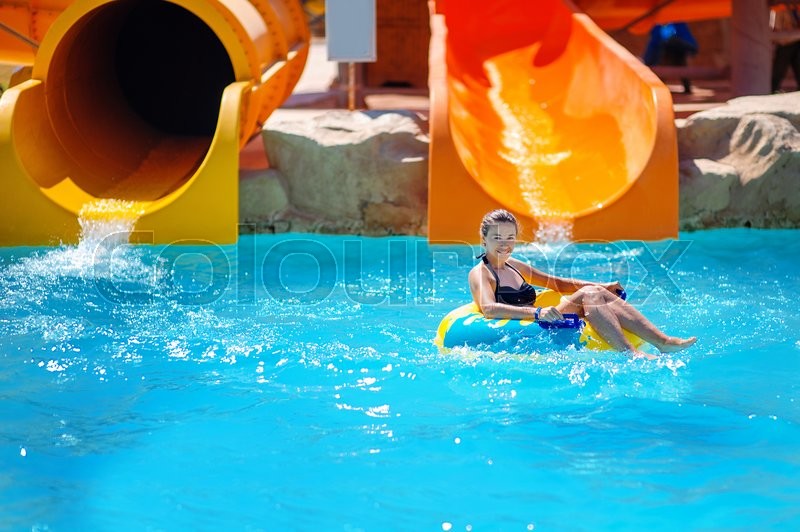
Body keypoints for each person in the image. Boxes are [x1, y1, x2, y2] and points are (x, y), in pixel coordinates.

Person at [468, 209, 697, 359]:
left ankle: (663, 341)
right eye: (497, 238)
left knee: (594, 291)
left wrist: (604, 286)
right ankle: (630, 353)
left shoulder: (515, 265)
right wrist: (537, 312)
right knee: (589, 295)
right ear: (483, 239)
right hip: (528, 322)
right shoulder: (481, 273)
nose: (505, 244)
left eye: (510, 238)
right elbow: (489, 309)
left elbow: (557, 283)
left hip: (543, 316)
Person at [643, 22, 699, 94]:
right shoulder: (658, 27)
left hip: (678, 51)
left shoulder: (678, 24)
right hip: (664, 52)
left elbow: (691, 45)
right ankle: (659, 85)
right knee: (665, 55)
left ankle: (685, 85)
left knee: (678, 56)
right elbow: (654, 45)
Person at [770, 2, 800, 93]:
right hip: (785, 43)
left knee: (798, 66)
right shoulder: (778, 10)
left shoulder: (797, 8)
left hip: (797, 42)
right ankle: (773, 89)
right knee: (779, 68)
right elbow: (775, 27)